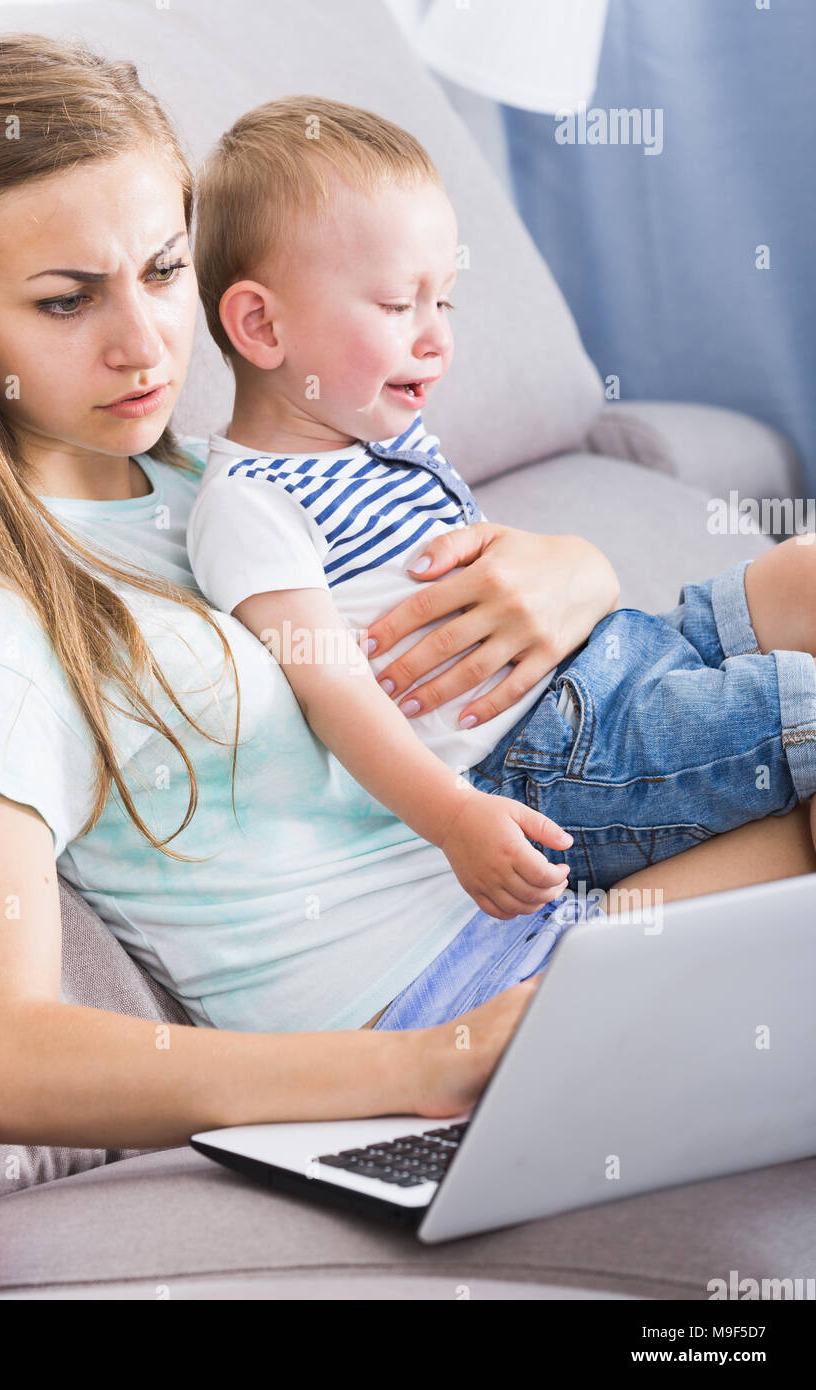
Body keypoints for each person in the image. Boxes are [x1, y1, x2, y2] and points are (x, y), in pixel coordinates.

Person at [0, 35, 815, 1154]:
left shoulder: (214, 476)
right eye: (64, 302)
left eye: (159, 270)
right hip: (457, 1002)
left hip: (571, 899)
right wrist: (423, 1064)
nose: (147, 343)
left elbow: (469, 594)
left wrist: (569, 570)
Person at [186, 96, 816, 950]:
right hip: (551, 760)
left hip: (613, 655)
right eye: (399, 304)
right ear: (262, 325)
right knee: (801, 705)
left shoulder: (378, 430)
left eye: (443, 301)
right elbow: (334, 695)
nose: (437, 337)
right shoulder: (249, 504)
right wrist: (455, 817)